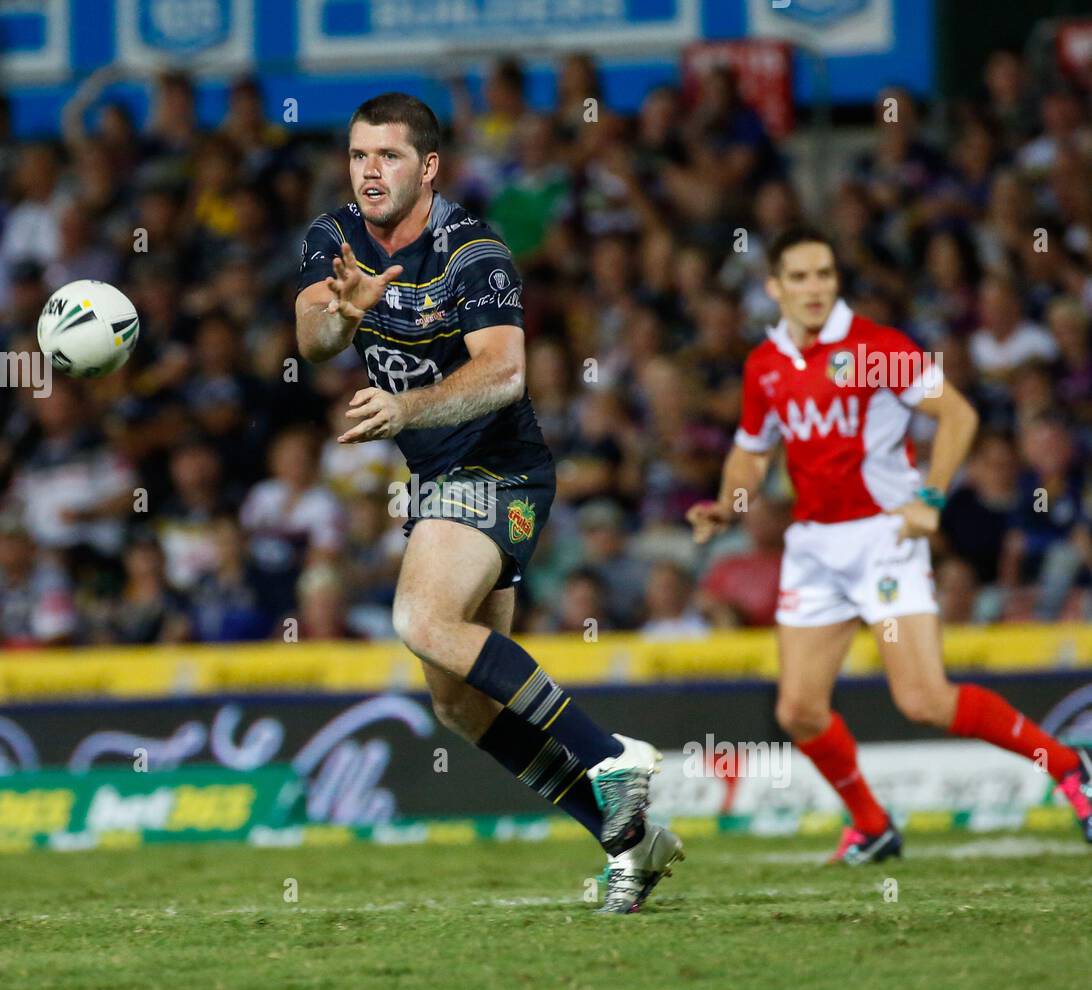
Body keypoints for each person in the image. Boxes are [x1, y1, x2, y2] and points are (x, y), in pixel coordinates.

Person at [295, 93, 681, 913]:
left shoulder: (475, 252)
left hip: (499, 470)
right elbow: (311, 339)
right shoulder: (333, 239)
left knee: (420, 620)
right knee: (460, 703)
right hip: (436, 481)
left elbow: (505, 373)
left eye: (389, 157)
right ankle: (629, 840)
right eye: (360, 155)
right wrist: (343, 315)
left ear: (427, 167)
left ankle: (613, 756)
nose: (370, 171)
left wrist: (405, 407)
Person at [687, 226, 1092, 862]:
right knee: (798, 710)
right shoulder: (764, 366)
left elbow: (958, 416)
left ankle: (1069, 765)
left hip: (885, 537)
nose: (814, 287)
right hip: (815, 547)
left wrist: (930, 498)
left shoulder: (878, 349)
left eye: (824, 274)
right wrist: (728, 503)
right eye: (799, 276)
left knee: (924, 701)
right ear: (774, 287)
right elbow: (751, 448)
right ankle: (873, 826)